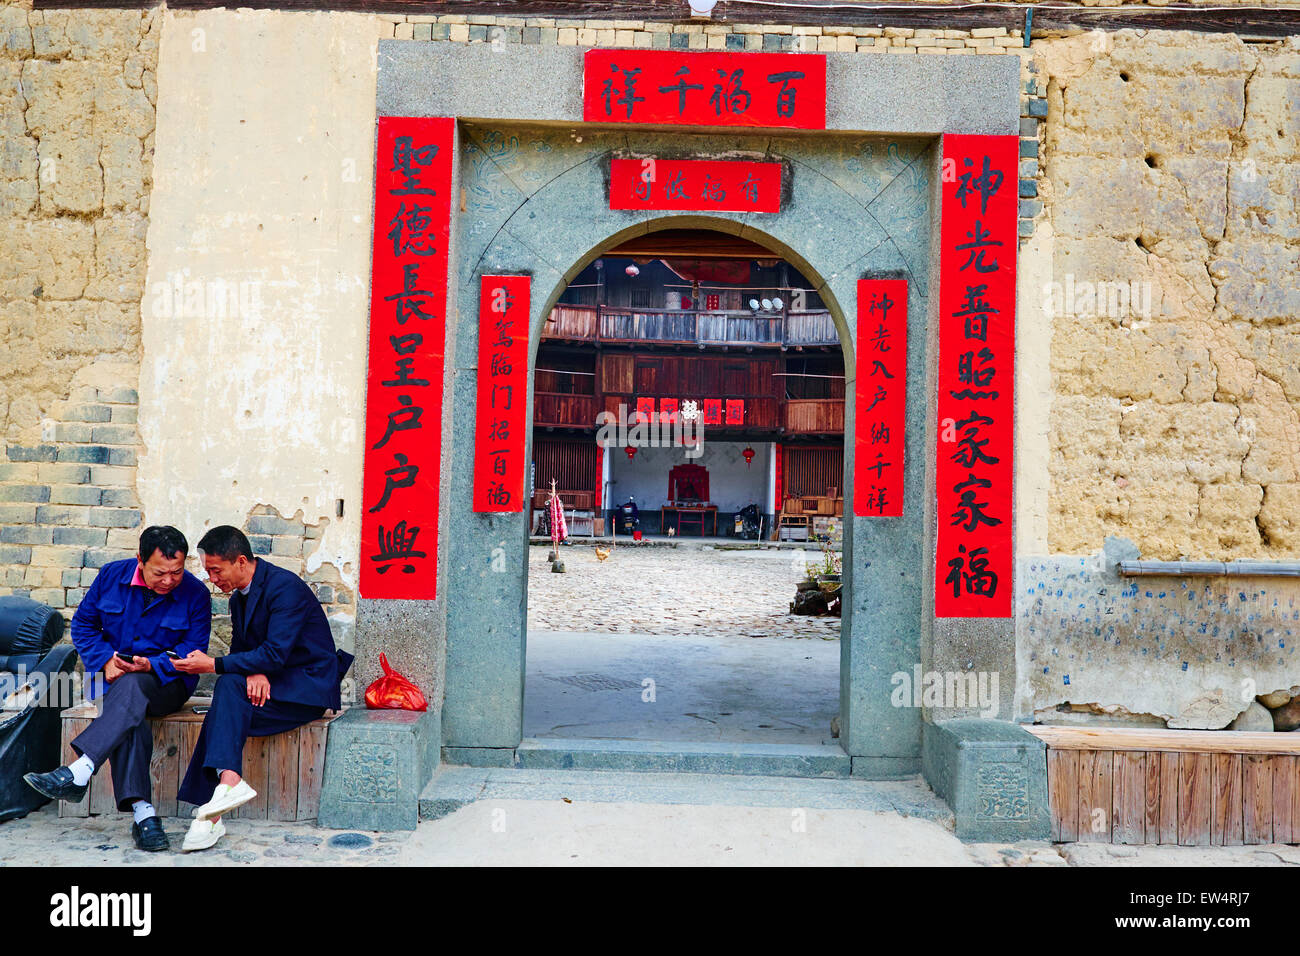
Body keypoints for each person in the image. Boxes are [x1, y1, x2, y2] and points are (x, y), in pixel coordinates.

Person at [23, 526, 211, 852]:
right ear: (140, 560)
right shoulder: (111, 575)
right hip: (111, 676)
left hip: (167, 683)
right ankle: (144, 816)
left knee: (132, 687)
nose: (169, 580)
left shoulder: (196, 594)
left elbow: (193, 651)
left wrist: (152, 665)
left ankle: (79, 769)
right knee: (128, 709)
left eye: (177, 572)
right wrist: (104, 660)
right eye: (160, 572)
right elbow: (83, 624)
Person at [173, 525, 352, 852]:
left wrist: (213, 664)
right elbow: (248, 653)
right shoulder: (240, 598)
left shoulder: (285, 589)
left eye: (216, 570)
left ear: (241, 561)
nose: (213, 579)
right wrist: (254, 670)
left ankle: (213, 808)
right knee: (225, 707)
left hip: (306, 687)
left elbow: (275, 653)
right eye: (209, 571)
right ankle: (222, 794)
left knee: (226, 690)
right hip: (272, 685)